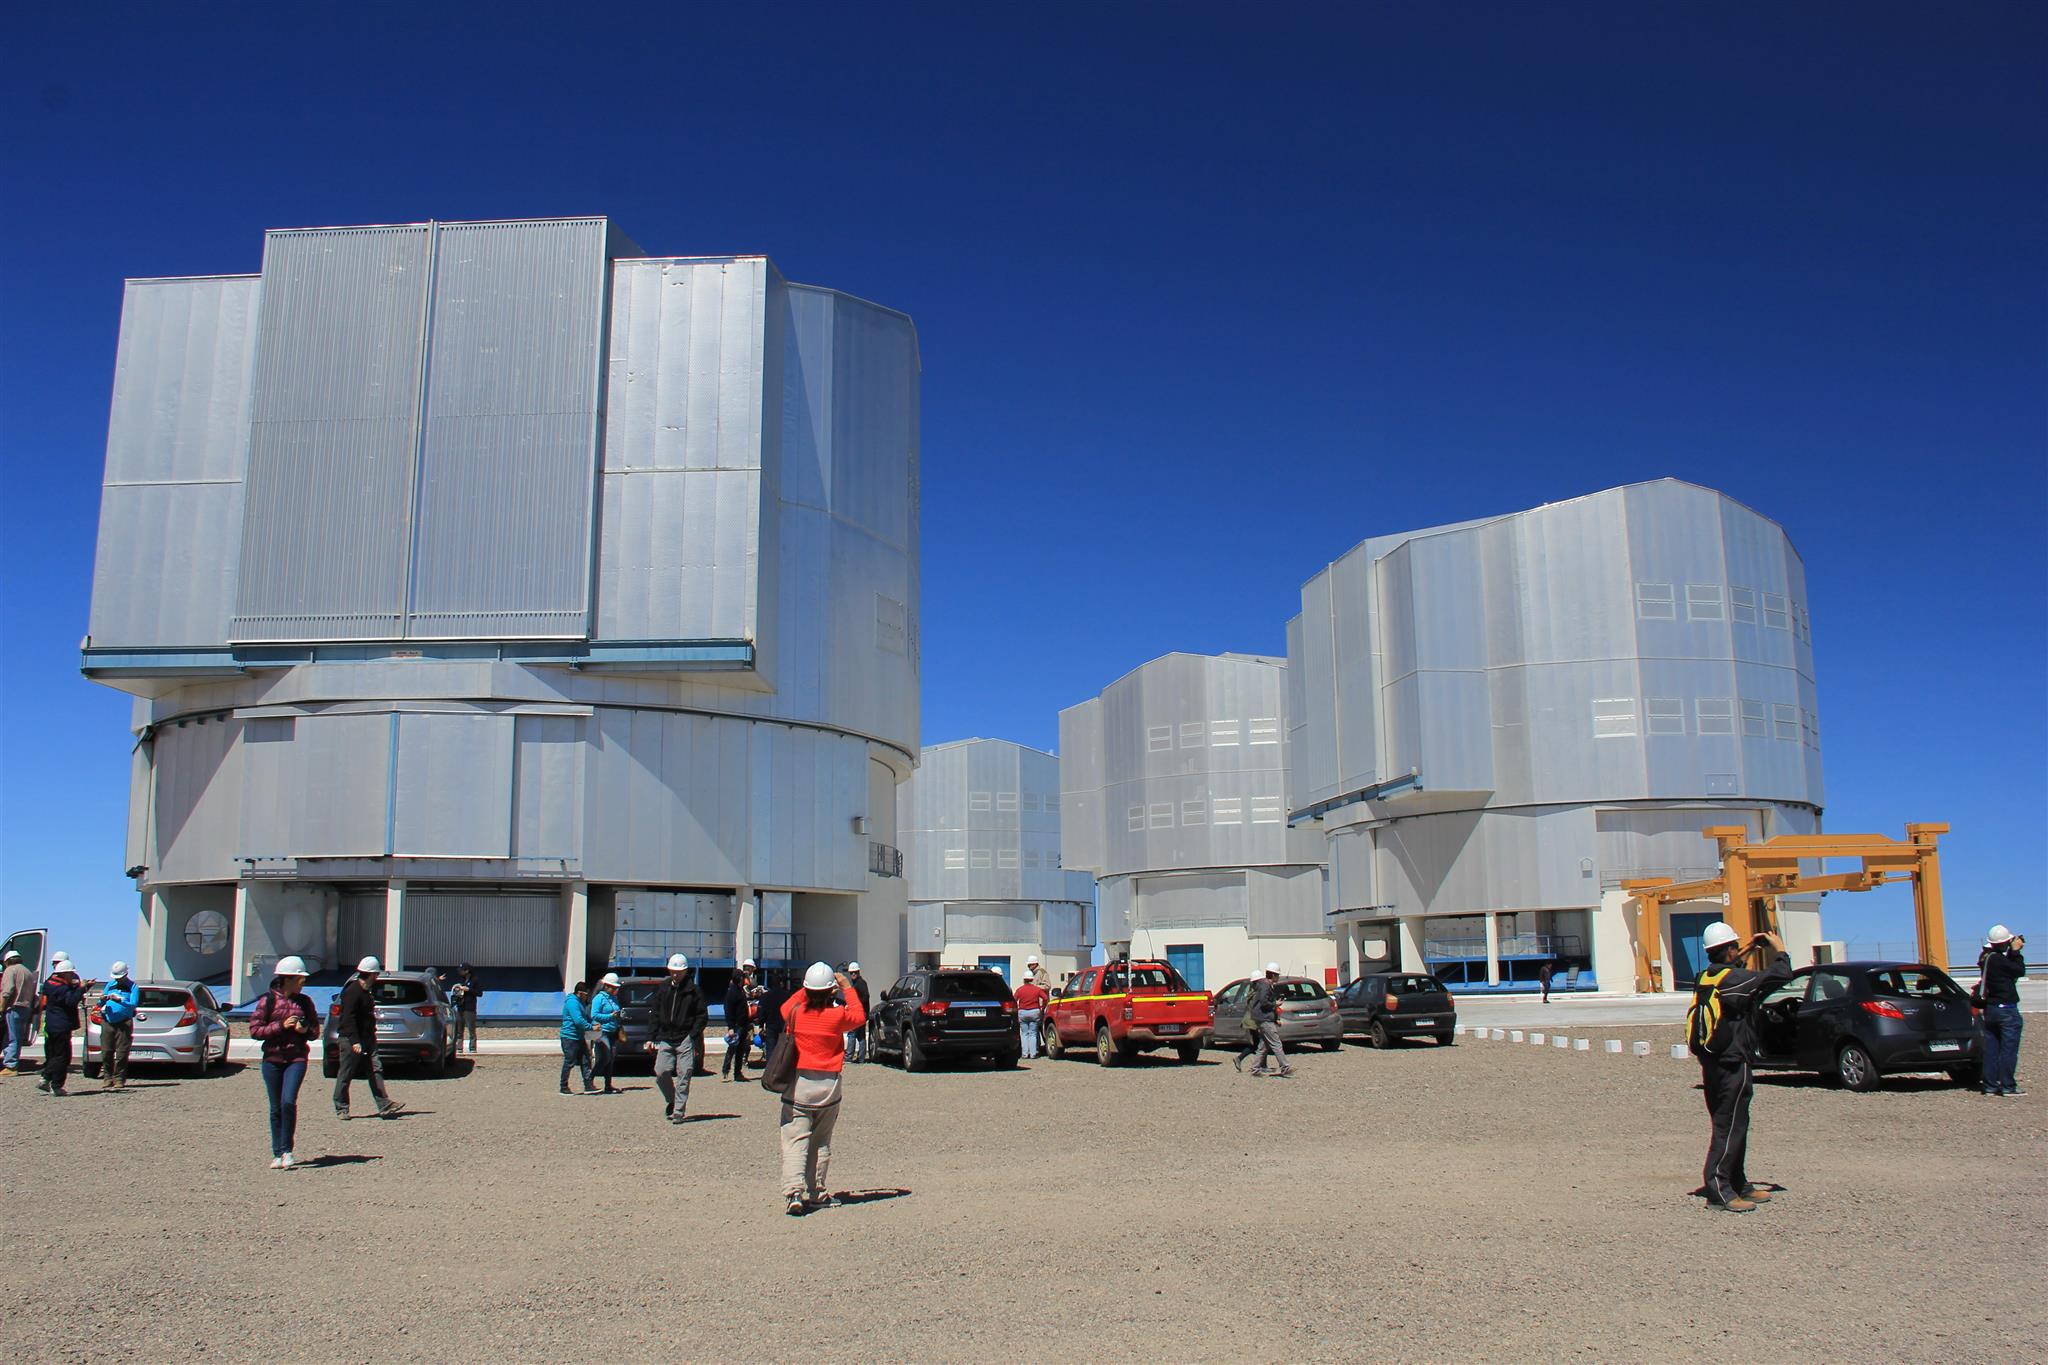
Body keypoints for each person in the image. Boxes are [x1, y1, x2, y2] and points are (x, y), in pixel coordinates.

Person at [1686, 922, 1790, 1213]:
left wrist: (1748, 948)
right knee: (1729, 1125)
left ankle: (1737, 1182)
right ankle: (1719, 1188)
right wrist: (1778, 949)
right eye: (1735, 946)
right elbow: (1780, 974)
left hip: (1712, 1062)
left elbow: (1733, 969)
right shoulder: (1733, 980)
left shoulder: (1705, 977)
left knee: (1733, 1123)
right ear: (1729, 949)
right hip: (1733, 1062)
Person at [777, 962, 867, 1216]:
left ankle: (794, 1193)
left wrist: (808, 989)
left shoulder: (795, 1013)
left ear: (807, 988)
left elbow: (785, 1007)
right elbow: (859, 1016)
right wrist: (847, 988)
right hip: (829, 1085)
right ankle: (817, 1193)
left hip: (800, 1084)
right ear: (831, 992)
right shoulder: (837, 1016)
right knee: (820, 1142)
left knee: (796, 1140)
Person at [248, 956, 319, 1168]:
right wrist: (281, 1026)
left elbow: (315, 1031)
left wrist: (305, 1030)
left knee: (288, 1101)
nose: (303, 982)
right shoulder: (266, 1002)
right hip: (272, 1059)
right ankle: (277, 1153)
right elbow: (255, 1030)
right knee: (275, 1106)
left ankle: (288, 1150)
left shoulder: (305, 1002)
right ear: (288, 979)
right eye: (300, 978)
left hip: (296, 1058)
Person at [332, 956, 404, 1120]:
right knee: (347, 1072)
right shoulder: (353, 991)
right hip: (352, 1040)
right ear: (371, 974)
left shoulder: (366, 992)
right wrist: (354, 1040)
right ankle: (341, 1107)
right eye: (376, 974)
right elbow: (347, 1018)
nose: (377, 977)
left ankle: (384, 1104)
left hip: (368, 1039)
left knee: (375, 1069)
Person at [647, 954, 708, 1123]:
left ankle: (678, 1112)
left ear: (685, 971)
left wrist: (692, 1036)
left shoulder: (694, 991)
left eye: (679, 972)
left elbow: (701, 1016)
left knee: (684, 1073)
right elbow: (656, 1012)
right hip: (666, 1037)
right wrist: (651, 1036)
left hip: (684, 1038)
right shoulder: (664, 988)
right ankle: (672, 1100)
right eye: (673, 971)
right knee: (661, 1072)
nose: (675, 975)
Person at [1979, 925, 2027, 1098]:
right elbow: (2019, 970)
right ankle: (2008, 1086)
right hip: (2006, 1009)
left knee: (1992, 1049)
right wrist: (2016, 952)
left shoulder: (1986, 958)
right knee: (2008, 1049)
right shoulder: (2000, 960)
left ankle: (1990, 1085)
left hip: (1991, 1009)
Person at [37, 961, 85, 1095]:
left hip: (51, 1025)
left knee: (54, 1055)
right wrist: (81, 989)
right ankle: (55, 1084)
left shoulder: (50, 984)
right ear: (64, 974)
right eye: (70, 974)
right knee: (63, 1057)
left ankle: (46, 1079)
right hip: (61, 1025)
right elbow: (70, 1001)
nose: (72, 976)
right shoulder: (62, 988)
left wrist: (79, 988)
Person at [1236, 963, 1292, 1077]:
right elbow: (1264, 1001)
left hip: (1261, 1018)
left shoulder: (1263, 985)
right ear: (1273, 975)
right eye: (1277, 975)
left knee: (1264, 1045)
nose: (1278, 977)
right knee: (1276, 1043)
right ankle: (1285, 1067)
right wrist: (1275, 1004)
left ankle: (1255, 1068)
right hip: (1265, 1019)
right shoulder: (1266, 985)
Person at [98, 962, 140, 1091]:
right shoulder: (110, 986)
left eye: (119, 977)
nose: (117, 980)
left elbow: (133, 1004)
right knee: (106, 1051)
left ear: (126, 974)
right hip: (108, 1021)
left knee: (121, 1053)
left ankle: (119, 1079)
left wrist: (121, 1000)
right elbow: (100, 1003)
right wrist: (103, 1000)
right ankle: (107, 1077)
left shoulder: (133, 987)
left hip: (124, 1023)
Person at [2, 948, 36, 1074]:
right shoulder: (28, 972)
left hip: (14, 1007)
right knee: (16, 1036)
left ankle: (11, 1065)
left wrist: (1, 1007)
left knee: (12, 1037)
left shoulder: (11, 970)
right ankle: (12, 1062)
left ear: (7, 961)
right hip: (26, 1008)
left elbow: (8, 991)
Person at [559, 981, 596, 1095]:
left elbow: (584, 1017)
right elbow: (578, 1021)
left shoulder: (580, 1003)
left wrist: (592, 1023)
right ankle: (563, 1087)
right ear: (580, 993)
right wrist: (591, 1027)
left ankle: (588, 1085)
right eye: (586, 994)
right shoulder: (572, 1003)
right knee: (570, 1062)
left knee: (586, 1060)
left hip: (579, 1037)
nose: (587, 997)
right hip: (570, 1037)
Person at [590, 973, 623, 1094]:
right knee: (605, 1057)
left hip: (613, 1031)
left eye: (616, 988)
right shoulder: (598, 998)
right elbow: (594, 1015)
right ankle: (589, 1079)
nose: (615, 990)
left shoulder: (614, 998)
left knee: (611, 1059)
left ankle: (608, 1085)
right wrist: (610, 1016)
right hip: (602, 1031)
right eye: (613, 987)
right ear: (606, 986)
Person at [722, 963, 755, 1082]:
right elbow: (728, 1011)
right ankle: (725, 1071)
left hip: (743, 1024)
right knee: (732, 1048)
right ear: (740, 979)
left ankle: (737, 1073)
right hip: (736, 1026)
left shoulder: (740, 990)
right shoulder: (732, 993)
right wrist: (730, 1027)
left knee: (740, 1049)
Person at [445, 963, 483, 1055]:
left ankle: (472, 1047)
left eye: (462, 970)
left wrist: (468, 990)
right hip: (460, 1006)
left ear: (467, 970)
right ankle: (459, 1047)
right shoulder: (462, 980)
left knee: (471, 1029)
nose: (460, 972)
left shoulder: (475, 980)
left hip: (469, 1008)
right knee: (459, 1029)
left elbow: (479, 993)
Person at [1014, 974, 1048, 1059]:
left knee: (1024, 1034)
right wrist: (1042, 1007)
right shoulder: (1037, 989)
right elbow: (1045, 998)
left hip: (1023, 1012)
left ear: (1024, 979)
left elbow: (1014, 999)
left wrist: (1017, 1009)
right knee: (1033, 1033)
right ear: (1032, 980)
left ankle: (1025, 1053)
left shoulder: (1020, 989)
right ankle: (1033, 1054)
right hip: (1034, 1011)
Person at [844, 963, 872, 1063]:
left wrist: (854, 1004)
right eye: (851, 973)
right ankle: (861, 1058)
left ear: (858, 972)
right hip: (862, 1014)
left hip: (858, 1014)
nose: (853, 974)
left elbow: (865, 997)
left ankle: (849, 1057)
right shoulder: (858, 983)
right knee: (861, 1036)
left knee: (852, 1034)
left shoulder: (860, 983)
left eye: (855, 972)